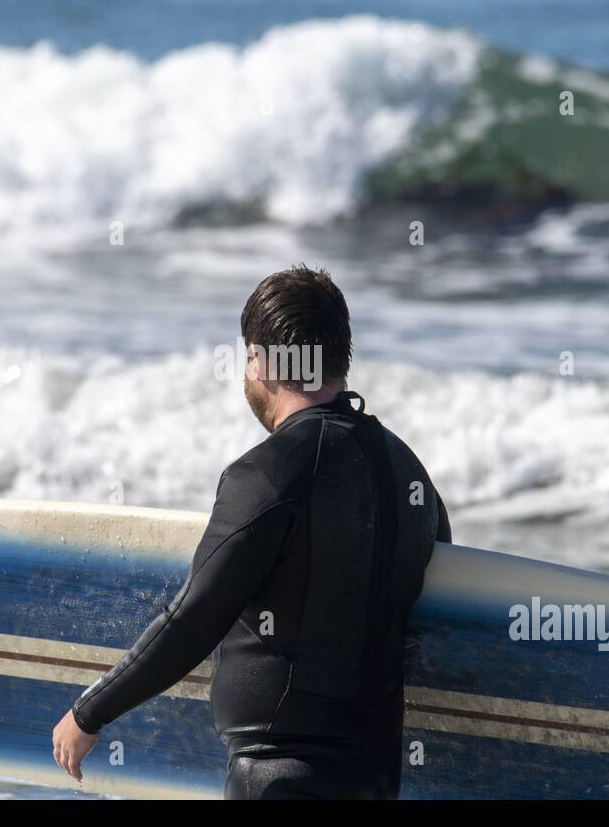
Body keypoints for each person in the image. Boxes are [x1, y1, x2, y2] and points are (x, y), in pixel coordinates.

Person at [51, 265, 451, 798]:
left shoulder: (266, 473)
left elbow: (194, 618)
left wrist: (89, 713)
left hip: (278, 780)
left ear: (260, 360)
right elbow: (442, 584)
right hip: (377, 781)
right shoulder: (407, 472)